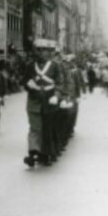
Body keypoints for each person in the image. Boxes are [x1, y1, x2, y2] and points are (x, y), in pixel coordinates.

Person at [23, 38, 64, 167]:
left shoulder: (55, 66)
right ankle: (33, 153)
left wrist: (56, 95)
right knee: (35, 128)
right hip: (34, 101)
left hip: (49, 101)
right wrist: (29, 85)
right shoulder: (30, 66)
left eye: (45, 50)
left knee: (47, 129)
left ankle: (46, 154)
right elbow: (24, 81)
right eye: (39, 50)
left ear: (49, 52)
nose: (41, 53)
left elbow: (60, 82)